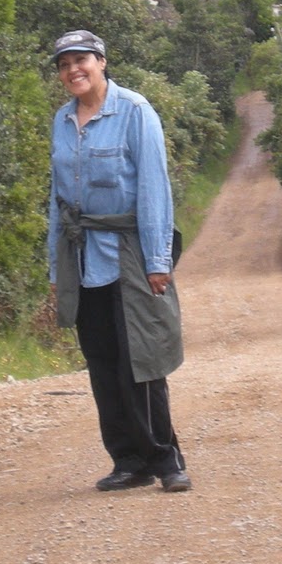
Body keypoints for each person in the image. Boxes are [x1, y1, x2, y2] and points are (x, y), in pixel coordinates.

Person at [47, 29, 190, 493]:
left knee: (142, 359)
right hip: (82, 256)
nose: (74, 70)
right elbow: (57, 201)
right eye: (65, 64)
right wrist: (56, 269)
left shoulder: (135, 111)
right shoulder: (62, 120)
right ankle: (128, 460)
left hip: (129, 253)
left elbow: (154, 190)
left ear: (102, 62)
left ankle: (166, 460)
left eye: (82, 60)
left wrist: (157, 260)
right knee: (103, 362)